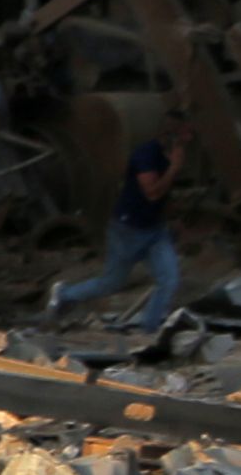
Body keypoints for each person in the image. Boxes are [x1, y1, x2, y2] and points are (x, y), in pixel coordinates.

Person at [53, 119, 186, 327]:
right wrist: (174, 169)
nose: (189, 141)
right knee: (111, 283)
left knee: (169, 280)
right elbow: (152, 193)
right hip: (128, 230)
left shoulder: (169, 158)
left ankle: (149, 331)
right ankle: (65, 294)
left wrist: (174, 218)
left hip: (155, 230)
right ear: (170, 136)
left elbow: (164, 196)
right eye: (184, 137)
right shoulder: (146, 156)